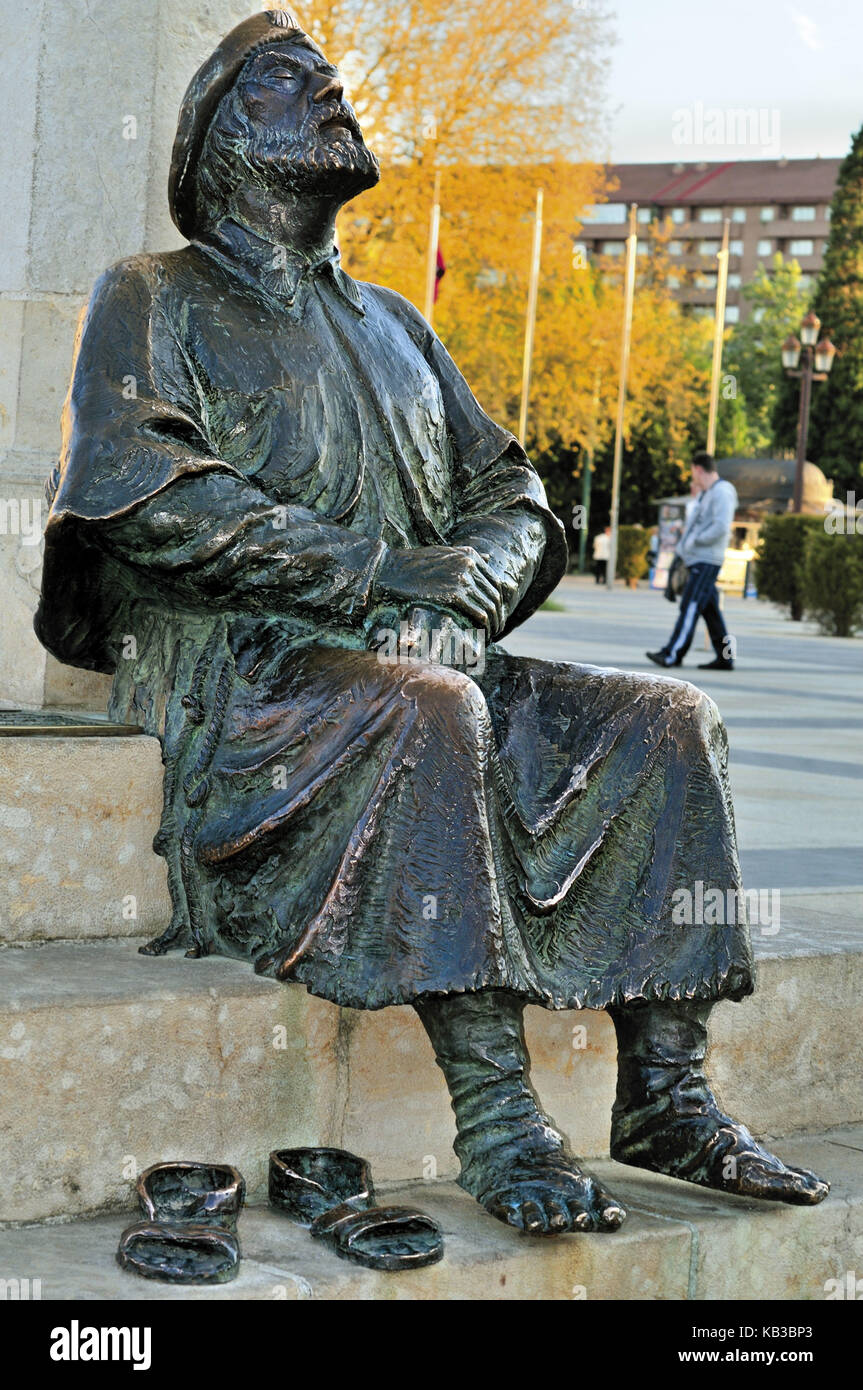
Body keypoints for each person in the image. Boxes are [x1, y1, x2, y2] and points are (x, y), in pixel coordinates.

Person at [35, 11, 826, 1238]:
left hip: (423, 653)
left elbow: (510, 493)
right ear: (223, 138)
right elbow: (141, 485)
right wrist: (378, 574)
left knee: (671, 716)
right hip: (254, 677)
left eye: (329, 79)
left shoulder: (395, 322)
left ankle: (667, 1089)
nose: (334, 95)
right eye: (298, 83)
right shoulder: (155, 296)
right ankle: (501, 1114)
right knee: (429, 706)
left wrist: (467, 583)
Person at [647, 453, 737, 671]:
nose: (691, 476)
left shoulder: (722, 492)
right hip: (699, 558)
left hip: (706, 559)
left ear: (698, 469)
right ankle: (725, 658)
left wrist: (695, 542)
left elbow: (721, 527)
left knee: (690, 606)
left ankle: (672, 653)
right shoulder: (709, 493)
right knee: (710, 610)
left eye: (691, 471)